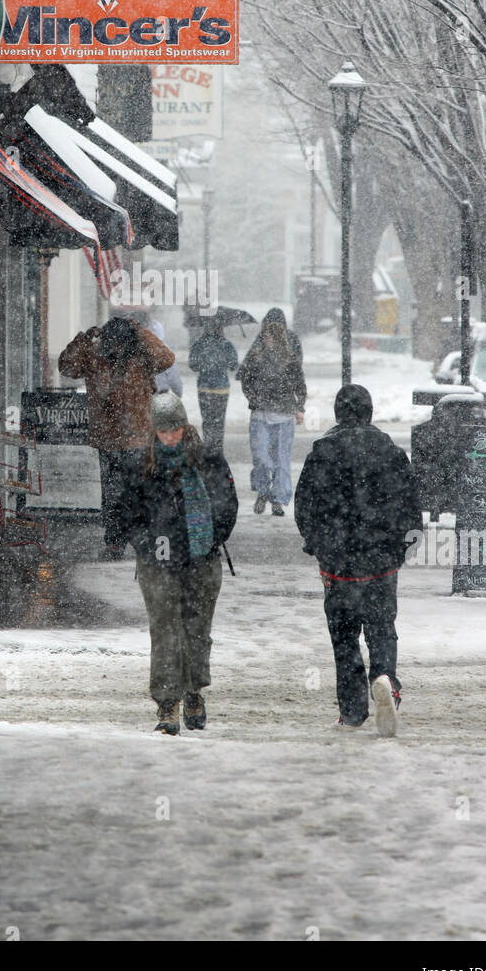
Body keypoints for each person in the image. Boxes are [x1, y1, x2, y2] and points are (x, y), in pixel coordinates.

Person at [294, 384, 422, 736]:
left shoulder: (322, 452)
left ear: (337, 413)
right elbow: (410, 504)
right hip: (381, 562)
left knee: (344, 637)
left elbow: (304, 507)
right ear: (369, 412)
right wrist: (400, 547)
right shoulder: (390, 450)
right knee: (382, 629)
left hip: (339, 565)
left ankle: (352, 710)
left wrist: (318, 546)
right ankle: (385, 681)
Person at [113, 390, 238, 735]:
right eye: (163, 430)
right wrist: (146, 544)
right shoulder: (141, 465)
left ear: (185, 424)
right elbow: (127, 512)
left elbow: (227, 503)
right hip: (158, 562)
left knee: (197, 630)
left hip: (202, 558)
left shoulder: (208, 459)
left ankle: (194, 691)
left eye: (175, 429)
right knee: (166, 631)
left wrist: (212, 538)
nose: (170, 436)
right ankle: (167, 704)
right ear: (154, 430)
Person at [57, 317, 175, 558]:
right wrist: (84, 338)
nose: (117, 348)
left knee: (137, 491)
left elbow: (167, 358)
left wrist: (141, 332)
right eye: (113, 343)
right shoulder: (94, 355)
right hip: (109, 438)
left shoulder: (140, 356)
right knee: (112, 494)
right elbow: (66, 367)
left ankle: (140, 540)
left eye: (121, 343)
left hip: (137, 437)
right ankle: (114, 542)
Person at [236, 307, 306, 515]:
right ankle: (264, 491)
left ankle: (277, 498)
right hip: (261, 412)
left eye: (267, 333)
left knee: (281, 460)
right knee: (262, 458)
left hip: (283, 413)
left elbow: (298, 381)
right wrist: (253, 396)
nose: (264, 337)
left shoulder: (289, 355)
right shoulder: (258, 355)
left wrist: (299, 406)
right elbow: (245, 377)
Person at [188, 316, 239, 450]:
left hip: (204, 388)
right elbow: (234, 365)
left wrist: (205, 363)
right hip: (221, 389)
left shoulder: (199, 344)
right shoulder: (227, 345)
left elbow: (193, 365)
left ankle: (208, 447)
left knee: (207, 420)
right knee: (219, 421)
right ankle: (217, 449)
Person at [148, 319, 183, 397]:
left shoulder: (135, 349)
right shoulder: (165, 351)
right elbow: (173, 378)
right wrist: (178, 393)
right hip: (160, 398)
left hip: (139, 399)